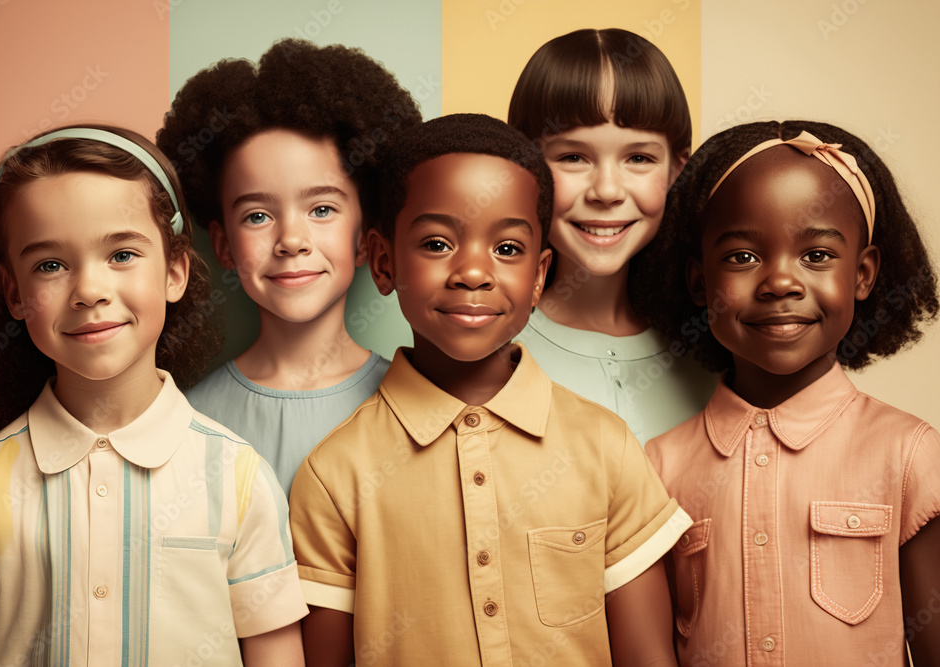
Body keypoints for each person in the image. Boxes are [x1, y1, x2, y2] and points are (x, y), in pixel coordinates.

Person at [290, 113, 692, 666]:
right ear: (383, 262)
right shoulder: (335, 475)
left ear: (539, 277)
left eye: (507, 249)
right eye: (436, 243)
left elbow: (649, 657)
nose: (473, 272)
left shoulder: (606, 447)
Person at [0, 126, 307, 666]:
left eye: (122, 254)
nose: (90, 290)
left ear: (175, 271)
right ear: (14, 291)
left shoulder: (238, 476)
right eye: (50, 265)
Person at [642, 120, 940, 666]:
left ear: (864, 273)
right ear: (697, 282)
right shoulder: (655, 469)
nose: (781, 281)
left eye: (817, 256)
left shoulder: (910, 455)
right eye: (742, 257)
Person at [158, 39, 421, 496]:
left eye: (321, 209)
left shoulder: (418, 405)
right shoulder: (187, 422)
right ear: (222, 244)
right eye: (257, 216)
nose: (292, 241)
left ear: (366, 237)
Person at [508, 28, 716, 445]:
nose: (606, 190)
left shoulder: (719, 350)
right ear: (526, 165)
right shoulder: (487, 347)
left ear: (677, 170)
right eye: (572, 157)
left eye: (638, 158)